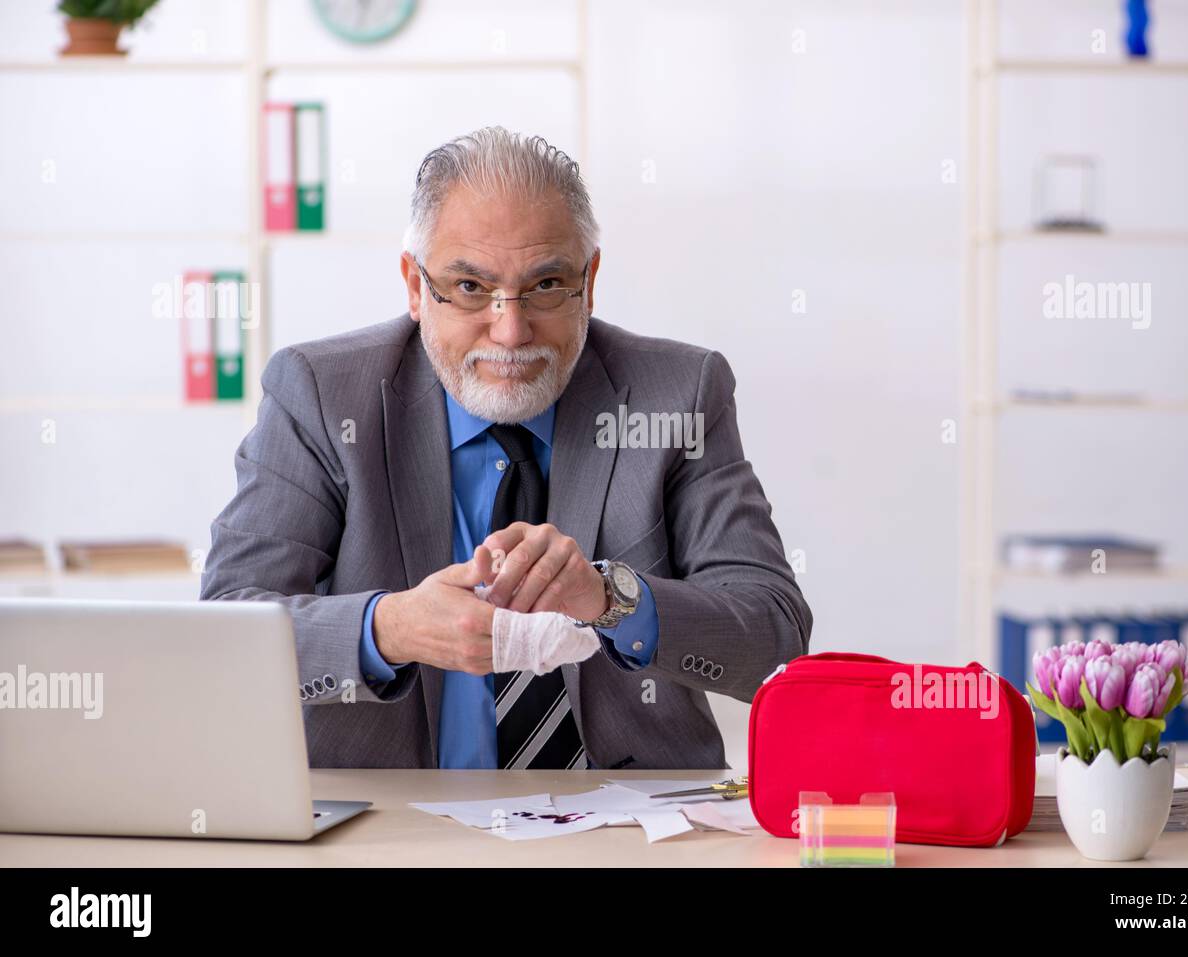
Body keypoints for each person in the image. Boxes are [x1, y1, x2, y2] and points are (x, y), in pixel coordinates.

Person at [201, 126, 812, 770]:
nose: (511, 330)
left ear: (590, 279)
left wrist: (612, 600)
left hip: (628, 831)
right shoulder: (321, 395)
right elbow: (224, 638)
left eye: (546, 285)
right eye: (469, 287)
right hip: (391, 826)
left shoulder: (678, 394)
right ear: (415, 286)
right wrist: (393, 628)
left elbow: (775, 641)